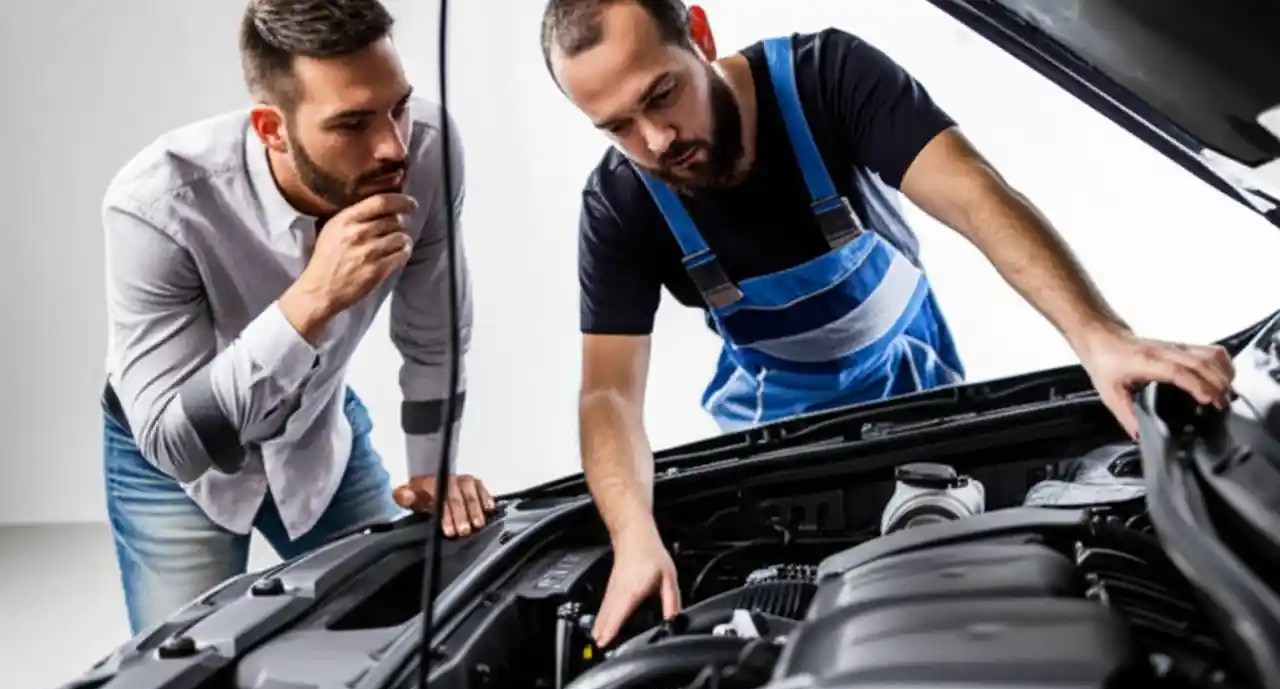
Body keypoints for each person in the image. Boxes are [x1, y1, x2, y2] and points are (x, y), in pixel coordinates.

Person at [539, 0, 1237, 648]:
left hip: (923, 386)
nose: (656, 139)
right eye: (617, 127)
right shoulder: (620, 207)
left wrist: (1099, 337)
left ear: (700, 33)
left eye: (662, 95)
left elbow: (974, 196)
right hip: (786, 442)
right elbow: (608, 393)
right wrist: (633, 533)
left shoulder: (826, 78)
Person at [101, 0, 493, 636]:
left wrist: (433, 469)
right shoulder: (156, 205)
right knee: (182, 671)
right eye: (352, 123)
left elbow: (434, 337)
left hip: (316, 428)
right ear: (271, 128)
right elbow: (175, 444)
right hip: (175, 460)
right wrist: (309, 301)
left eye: (397, 105)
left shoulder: (427, 147)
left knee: (402, 631)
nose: (393, 145)